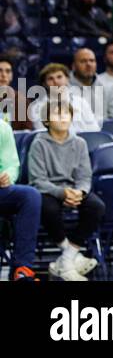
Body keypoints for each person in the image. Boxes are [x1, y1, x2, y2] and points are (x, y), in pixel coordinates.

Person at [26, 93, 102, 281]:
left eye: (66, 113)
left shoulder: (80, 143)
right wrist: (61, 193)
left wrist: (80, 191)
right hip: (49, 190)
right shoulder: (39, 144)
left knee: (96, 206)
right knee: (47, 207)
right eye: (56, 114)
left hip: (74, 190)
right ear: (46, 121)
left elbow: (85, 176)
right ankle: (69, 260)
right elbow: (37, 179)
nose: (62, 117)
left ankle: (66, 259)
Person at [0, 108, 41, 280]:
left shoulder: (3, 128)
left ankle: (22, 268)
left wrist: (7, 176)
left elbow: (11, 163)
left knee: (30, 195)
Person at [33, 63, 100, 133]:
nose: (56, 81)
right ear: (44, 84)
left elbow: (94, 130)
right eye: (50, 79)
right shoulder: (37, 108)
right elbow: (42, 133)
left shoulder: (81, 102)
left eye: (59, 77)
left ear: (67, 79)